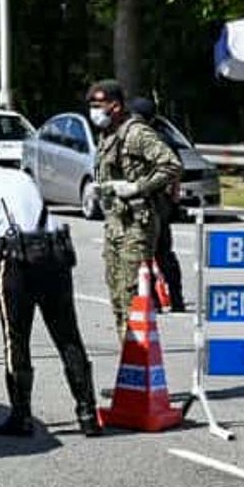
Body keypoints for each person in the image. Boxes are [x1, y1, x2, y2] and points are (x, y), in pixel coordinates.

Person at [0, 138, 102, 437]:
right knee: (68, 335)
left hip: (18, 262)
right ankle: (88, 413)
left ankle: (21, 417)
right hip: (54, 256)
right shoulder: (20, 176)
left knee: (16, 339)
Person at [87, 81, 182, 332]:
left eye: (98, 106)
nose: (94, 111)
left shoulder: (137, 133)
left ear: (115, 106)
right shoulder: (108, 135)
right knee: (117, 294)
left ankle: (138, 359)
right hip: (115, 224)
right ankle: (126, 357)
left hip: (136, 225)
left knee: (132, 295)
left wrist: (138, 187)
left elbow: (171, 165)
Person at [150, 115, 186, 313]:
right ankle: (176, 298)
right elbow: (177, 172)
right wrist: (174, 198)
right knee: (165, 254)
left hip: (148, 201)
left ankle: (154, 301)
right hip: (163, 203)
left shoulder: (143, 139)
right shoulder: (166, 139)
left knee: (146, 255)